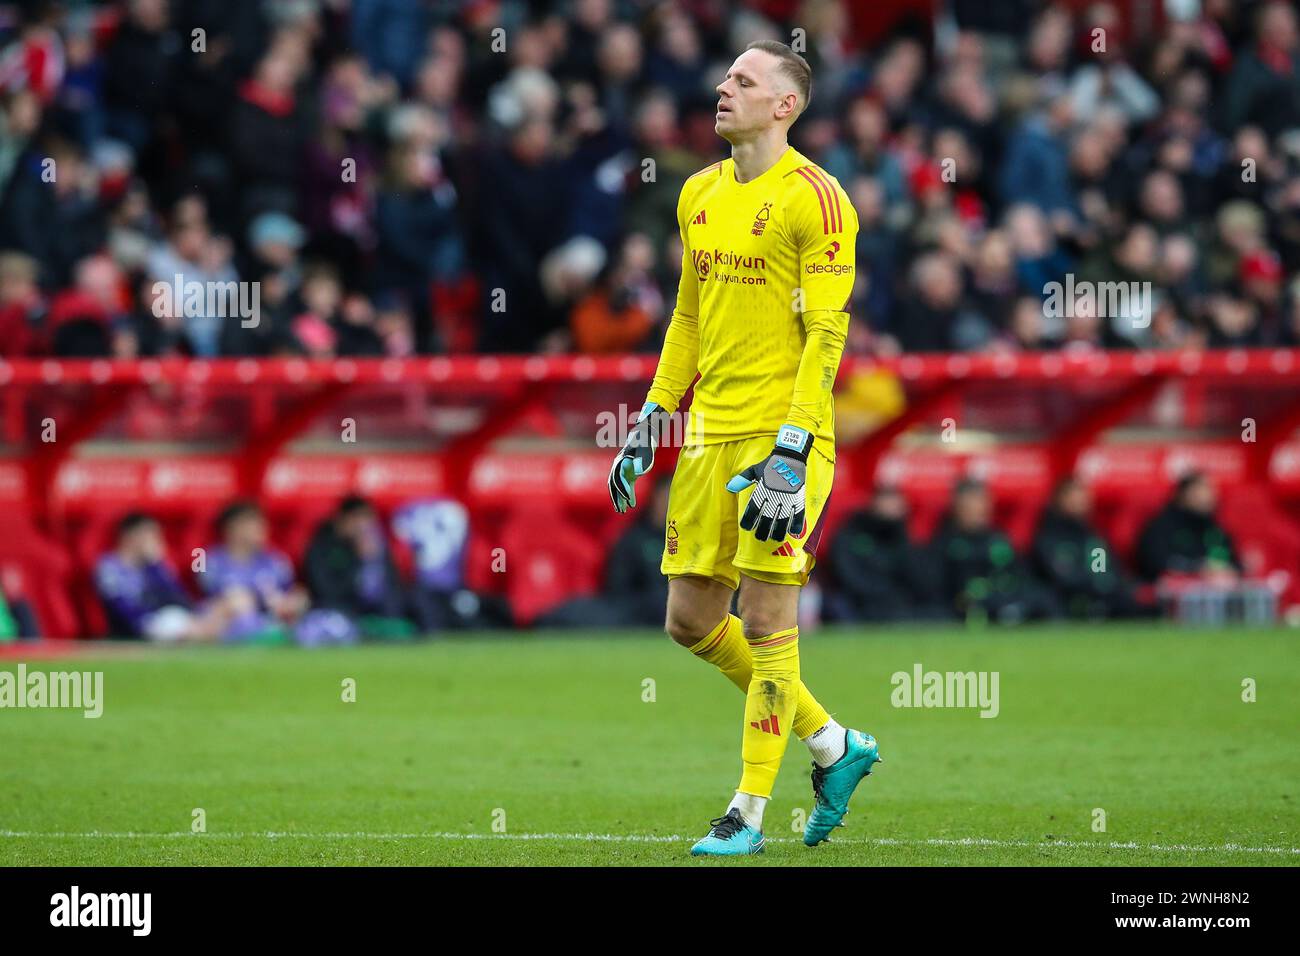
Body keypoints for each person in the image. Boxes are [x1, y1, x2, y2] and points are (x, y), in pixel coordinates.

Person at [606, 41, 878, 857]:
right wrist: (655, 416)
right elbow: (688, 320)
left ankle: (748, 812)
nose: (723, 89)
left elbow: (828, 334)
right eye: (726, 78)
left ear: (784, 105)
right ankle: (834, 744)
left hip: (782, 439)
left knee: (764, 623)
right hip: (707, 435)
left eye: (744, 82)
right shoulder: (696, 193)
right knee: (689, 622)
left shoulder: (820, 202)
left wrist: (793, 449)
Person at [200, 500, 356, 646]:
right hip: (225, 621)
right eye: (253, 523)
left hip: (274, 618)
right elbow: (210, 597)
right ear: (233, 528)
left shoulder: (276, 560)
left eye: (261, 523)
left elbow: (291, 593)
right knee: (239, 609)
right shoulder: (208, 559)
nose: (261, 528)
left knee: (320, 616)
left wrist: (291, 602)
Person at [931, 479, 1061, 624]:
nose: (977, 511)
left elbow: (1021, 575)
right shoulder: (946, 544)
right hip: (972, 605)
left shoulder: (999, 540)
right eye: (970, 506)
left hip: (1007, 596)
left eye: (981, 504)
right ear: (957, 508)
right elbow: (948, 589)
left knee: (1044, 596)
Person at [94, 512, 235, 641]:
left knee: (225, 606)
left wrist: (155, 566)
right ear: (130, 536)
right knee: (188, 626)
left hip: (170, 617)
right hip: (143, 623)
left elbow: (176, 597)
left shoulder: (152, 566)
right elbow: (121, 607)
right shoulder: (110, 567)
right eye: (150, 535)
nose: (156, 541)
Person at [824, 485, 945, 622]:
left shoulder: (906, 538)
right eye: (885, 501)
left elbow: (921, 580)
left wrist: (899, 532)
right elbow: (846, 575)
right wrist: (881, 594)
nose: (890, 507)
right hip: (859, 604)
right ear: (873, 503)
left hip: (900, 606)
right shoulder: (851, 533)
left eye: (895, 503)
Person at [302, 496, 417, 640]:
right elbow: (326, 591)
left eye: (368, 520)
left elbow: (392, 583)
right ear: (345, 519)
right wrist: (358, 560)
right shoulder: (322, 546)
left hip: (376, 612)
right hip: (338, 609)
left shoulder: (376, 545)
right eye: (359, 520)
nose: (364, 527)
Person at [1031, 477, 1144, 619]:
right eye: (1073, 498)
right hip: (1064, 602)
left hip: (1100, 597)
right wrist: (1094, 585)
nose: (1079, 503)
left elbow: (1103, 570)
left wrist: (1105, 585)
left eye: (1082, 498)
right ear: (1058, 500)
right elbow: (1062, 576)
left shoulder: (1093, 538)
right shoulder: (1049, 537)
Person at [1135, 472, 1240, 582]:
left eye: (1211, 490)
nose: (1208, 495)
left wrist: (1228, 570)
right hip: (1170, 595)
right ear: (1183, 494)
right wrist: (1197, 568)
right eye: (1200, 490)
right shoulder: (1161, 527)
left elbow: (1236, 564)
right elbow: (1155, 564)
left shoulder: (1216, 528)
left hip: (1217, 594)